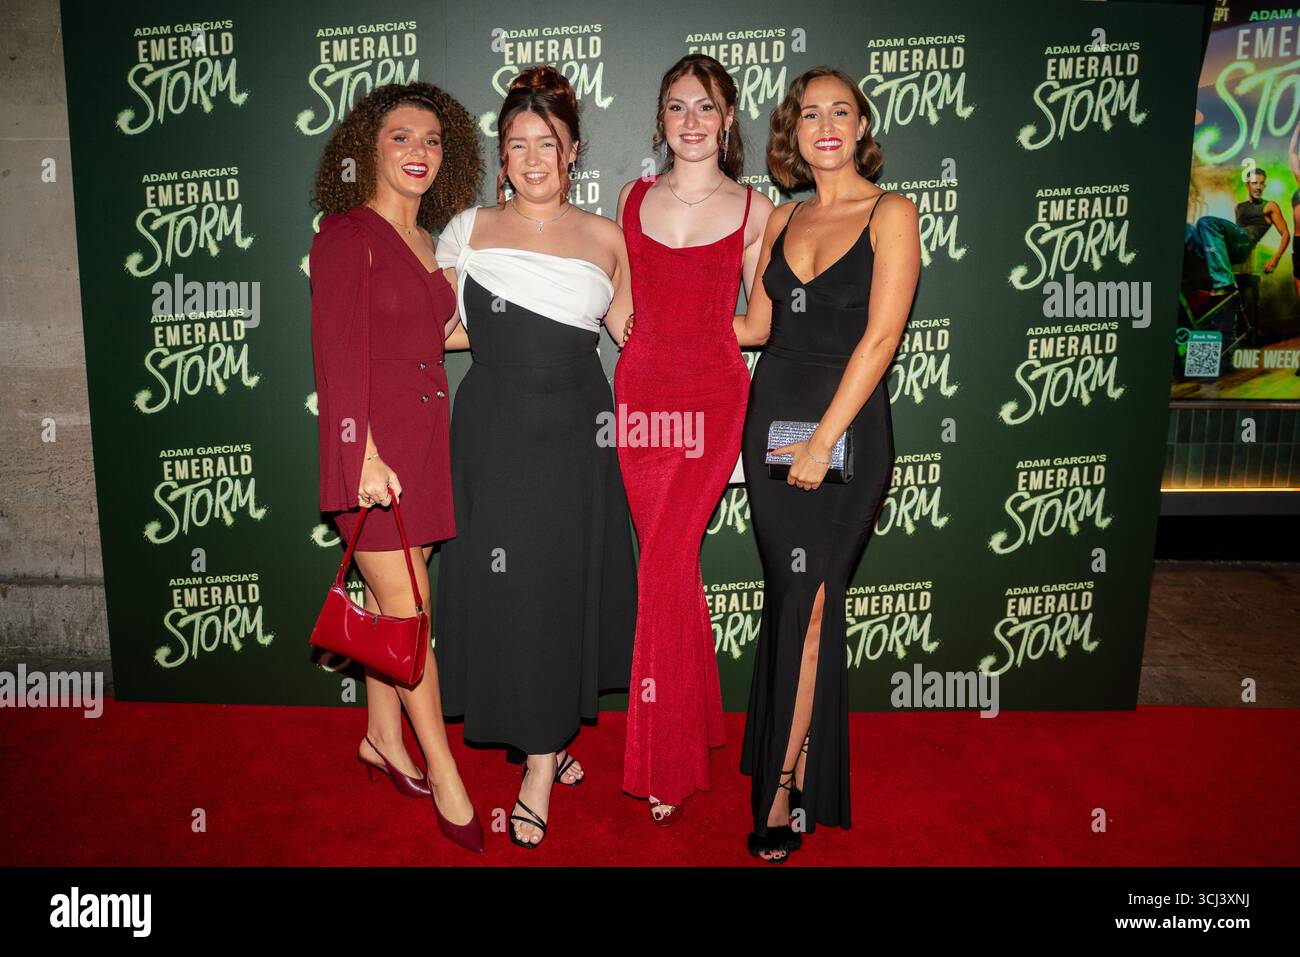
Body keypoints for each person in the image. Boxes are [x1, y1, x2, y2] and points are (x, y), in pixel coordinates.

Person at [433, 65, 638, 849]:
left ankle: (543, 763)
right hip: (490, 430)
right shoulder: (468, 229)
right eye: (516, 144)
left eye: (546, 143)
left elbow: (638, 339)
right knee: (505, 588)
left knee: (555, 586)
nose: (531, 157)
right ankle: (535, 722)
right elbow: (438, 330)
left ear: (573, 150)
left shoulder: (606, 238)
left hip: (574, 433)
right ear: (501, 155)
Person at [733, 66, 919, 862]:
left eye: (841, 110)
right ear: (794, 133)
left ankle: (779, 787)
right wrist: (658, 312)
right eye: (811, 114)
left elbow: (881, 340)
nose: (827, 125)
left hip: (847, 437)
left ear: (862, 125)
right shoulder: (782, 217)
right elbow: (755, 327)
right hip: (770, 426)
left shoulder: (893, 212)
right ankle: (793, 748)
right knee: (787, 598)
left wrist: (822, 441)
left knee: (813, 609)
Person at [309, 82, 486, 853]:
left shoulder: (430, 243)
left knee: (394, 613)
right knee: (411, 614)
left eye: (433, 141)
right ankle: (445, 772)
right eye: (400, 138)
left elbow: (433, 340)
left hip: (424, 441)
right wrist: (364, 458)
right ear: (366, 150)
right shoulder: (348, 235)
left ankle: (381, 734)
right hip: (372, 451)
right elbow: (338, 356)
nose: (418, 153)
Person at [614, 54, 773, 826]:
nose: (691, 120)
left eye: (705, 107)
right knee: (670, 567)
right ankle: (701, 721)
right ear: (661, 119)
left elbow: (763, 320)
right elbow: (619, 304)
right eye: (677, 106)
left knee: (667, 562)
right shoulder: (632, 197)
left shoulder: (755, 208)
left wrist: (702, 339)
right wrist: (643, 341)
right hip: (640, 401)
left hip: (712, 401)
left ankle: (666, 760)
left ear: (728, 119)